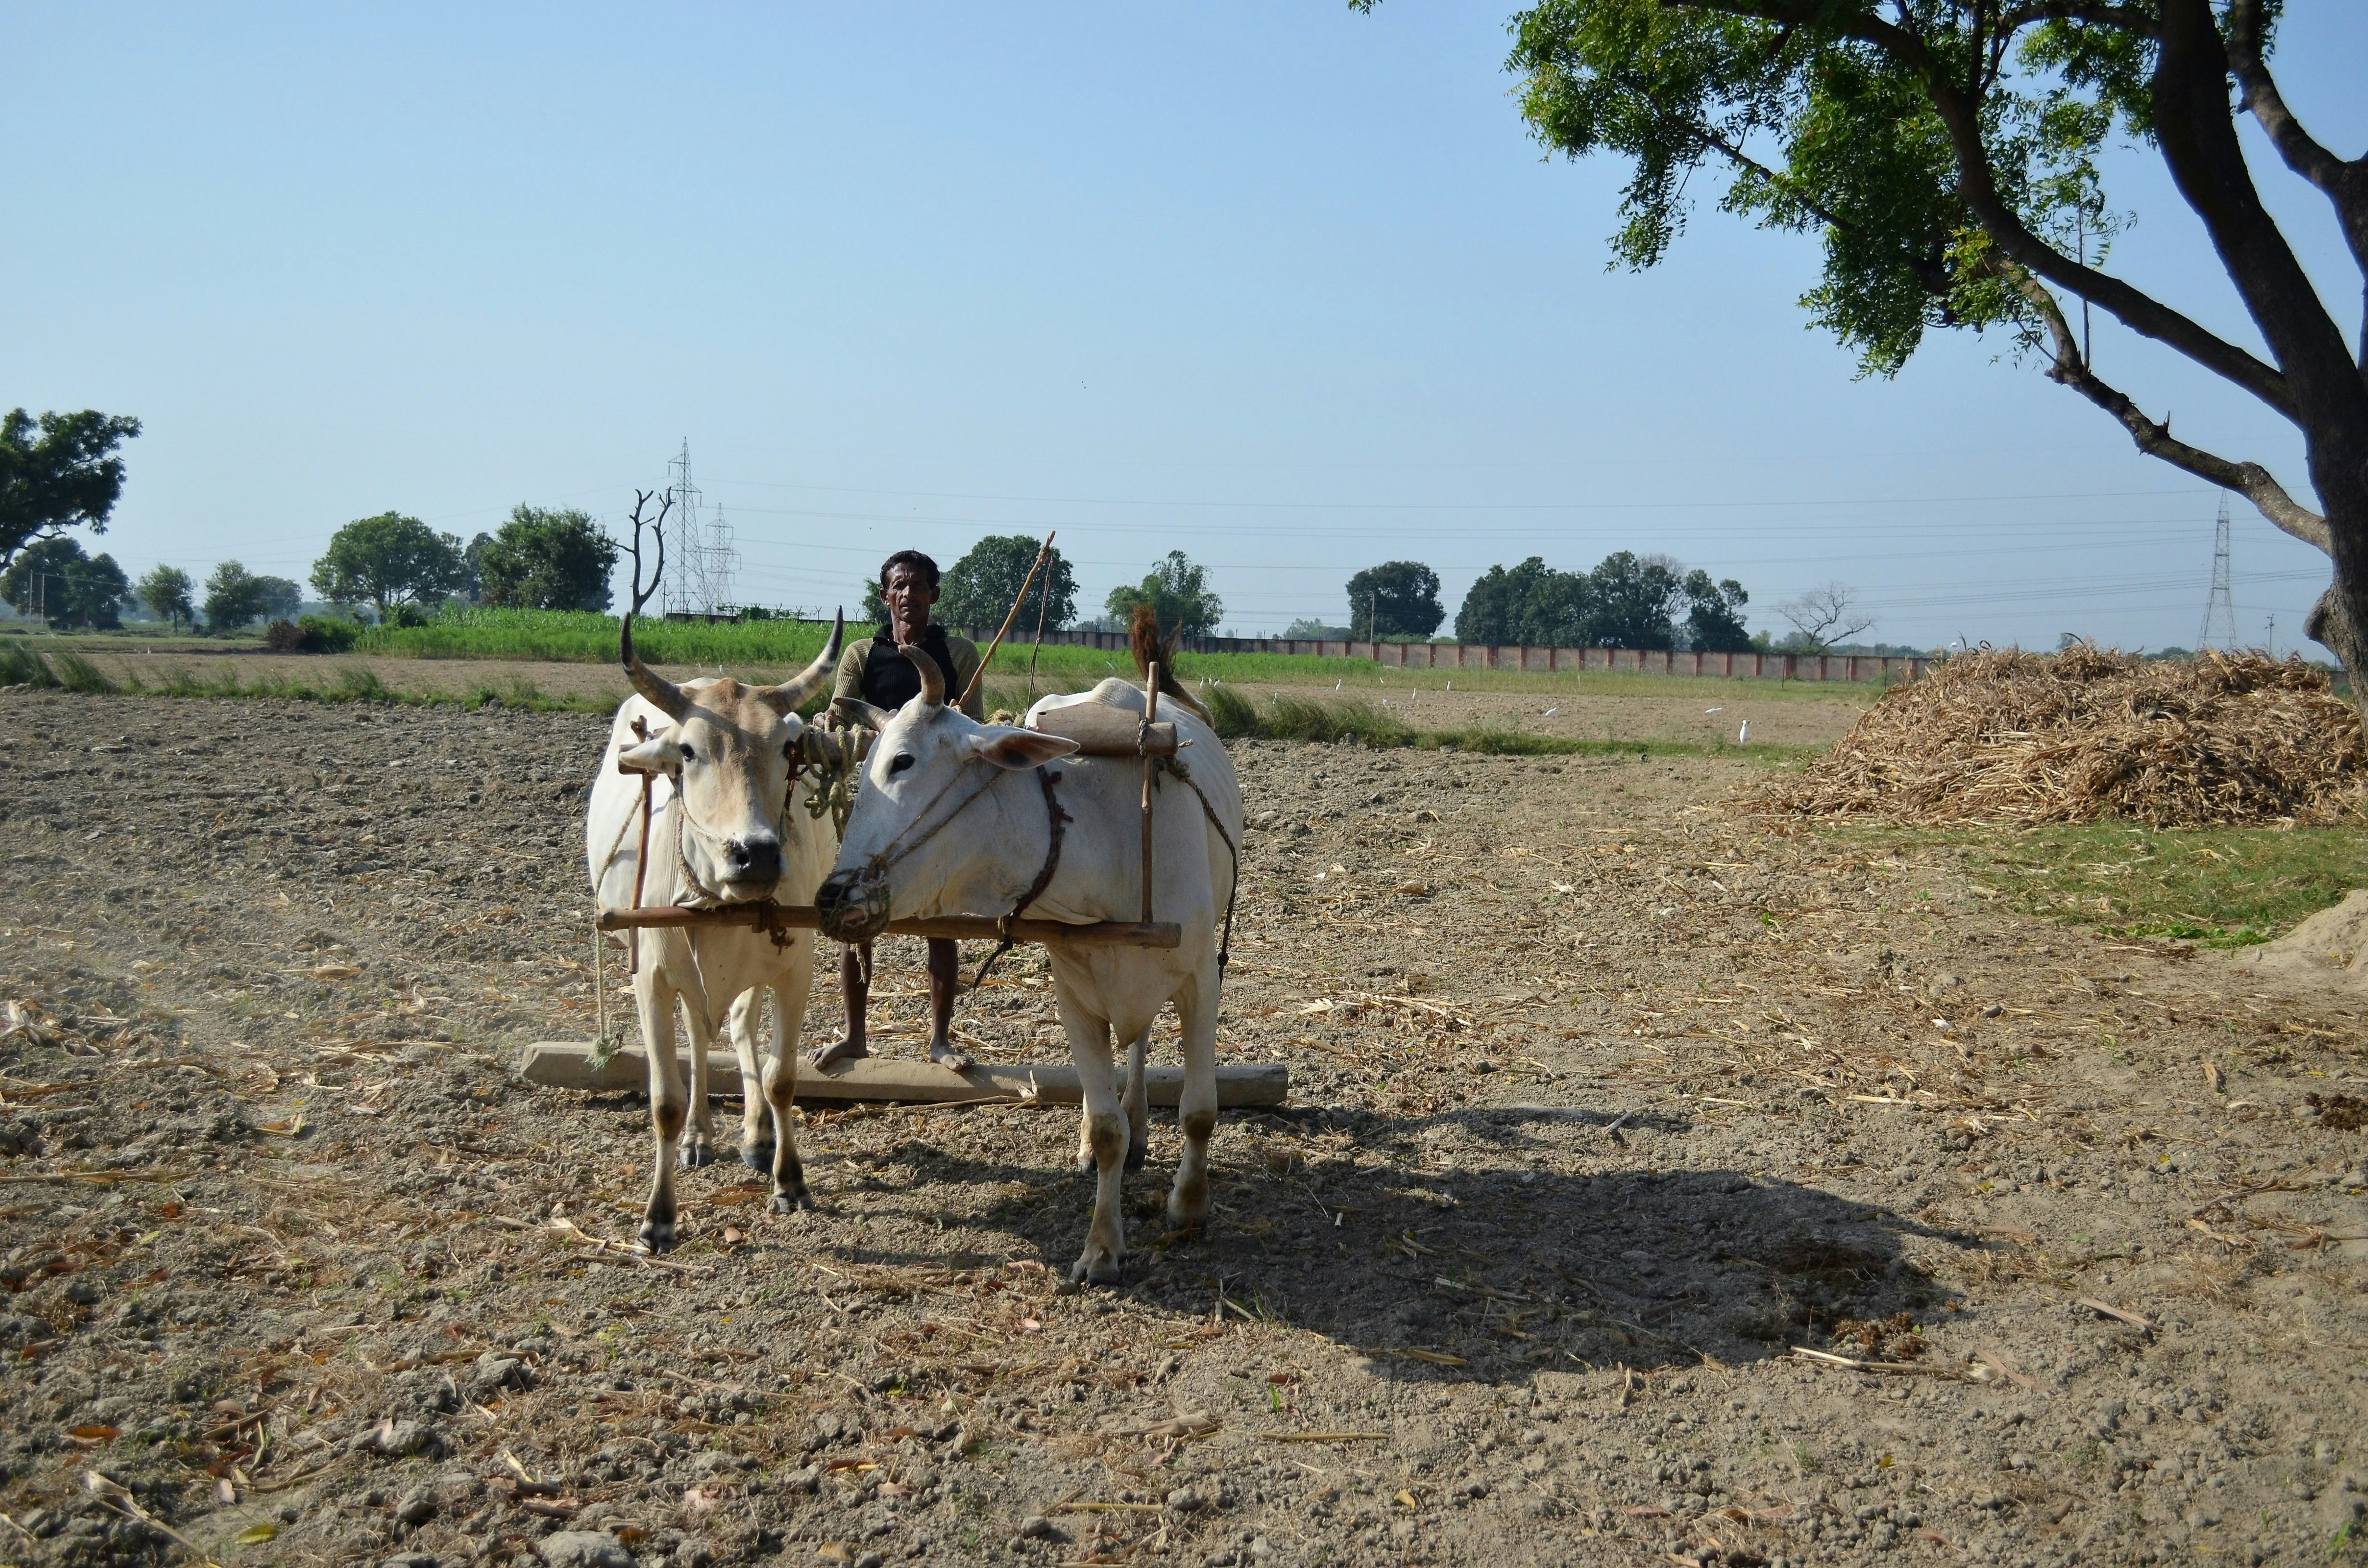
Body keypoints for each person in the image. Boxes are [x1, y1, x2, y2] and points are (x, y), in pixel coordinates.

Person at [810, 549, 985, 1072]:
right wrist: (829, 726)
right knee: (853, 909)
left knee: (940, 919)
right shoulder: (863, 654)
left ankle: (939, 1040)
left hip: (934, 806)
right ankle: (855, 1035)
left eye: (917, 586)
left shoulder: (959, 652)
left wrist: (953, 722)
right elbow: (840, 720)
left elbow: (972, 729)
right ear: (886, 596)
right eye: (898, 586)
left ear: (934, 594)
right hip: (875, 800)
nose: (908, 594)